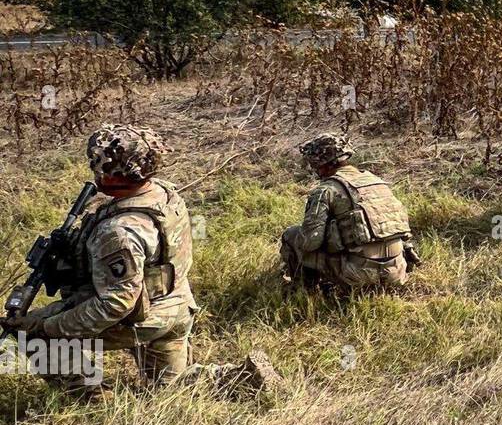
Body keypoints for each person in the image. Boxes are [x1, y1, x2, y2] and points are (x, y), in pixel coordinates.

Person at [12, 124, 279, 397]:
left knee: (31, 334)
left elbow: (115, 304)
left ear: (113, 171)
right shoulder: (163, 193)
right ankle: (244, 378)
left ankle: (91, 399)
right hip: (176, 306)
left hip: (143, 318)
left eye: (98, 162)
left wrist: (48, 326)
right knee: (171, 390)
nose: (94, 167)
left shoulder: (118, 232)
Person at [280, 133, 417, 291]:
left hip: (357, 275)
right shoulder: (376, 181)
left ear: (321, 163)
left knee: (291, 235)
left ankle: (303, 292)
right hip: (397, 270)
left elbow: (310, 241)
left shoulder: (326, 190)